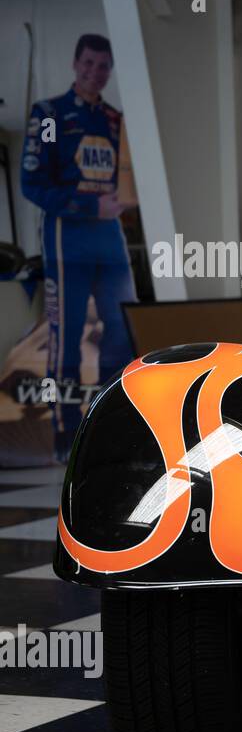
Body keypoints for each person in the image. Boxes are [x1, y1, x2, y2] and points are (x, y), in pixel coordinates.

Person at [20, 33, 137, 462]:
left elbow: (130, 181)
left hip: (110, 241)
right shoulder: (50, 115)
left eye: (103, 66)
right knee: (64, 340)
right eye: (88, 64)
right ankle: (64, 433)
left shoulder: (114, 120)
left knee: (122, 332)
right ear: (75, 64)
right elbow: (33, 184)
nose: (95, 72)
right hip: (66, 239)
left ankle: (109, 420)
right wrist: (89, 205)